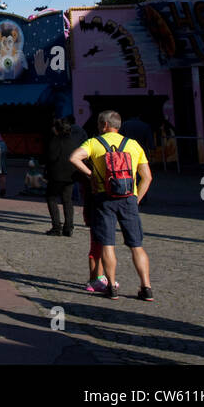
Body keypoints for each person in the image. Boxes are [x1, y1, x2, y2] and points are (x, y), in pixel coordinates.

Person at [69, 110, 154, 301]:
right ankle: (146, 287)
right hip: (128, 199)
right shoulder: (133, 145)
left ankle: (112, 287)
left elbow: (74, 158)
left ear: (104, 125)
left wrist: (91, 175)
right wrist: (136, 198)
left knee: (108, 244)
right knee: (136, 246)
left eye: (100, 124)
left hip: (104, 198)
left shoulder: (94, 143)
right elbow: (147, 177)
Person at [43, 118, 82, 235]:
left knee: (51, 198)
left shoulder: (55, 141)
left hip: (56, 175)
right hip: (70, 175)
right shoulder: (73, 141)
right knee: (67, 200)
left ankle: (56, 227)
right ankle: (69, 227)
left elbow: (51, 157)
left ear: (57, 129)